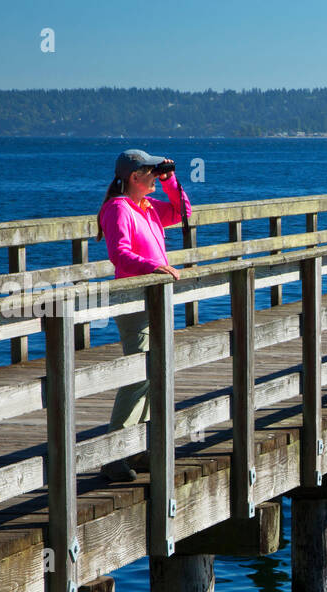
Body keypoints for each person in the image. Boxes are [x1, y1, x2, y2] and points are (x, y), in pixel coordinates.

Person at [96, 148, 192, 482]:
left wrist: (170, 179)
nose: (155, 175)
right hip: (134, 299)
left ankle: (136, 448)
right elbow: (120, 255)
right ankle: (112, 453)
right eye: (150, 172)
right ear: (134, 177)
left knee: (155, 372)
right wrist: (156, 267)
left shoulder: (146, 206)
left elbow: (182, 212)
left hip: (154, 296)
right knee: (138, 373)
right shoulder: (117, 209)